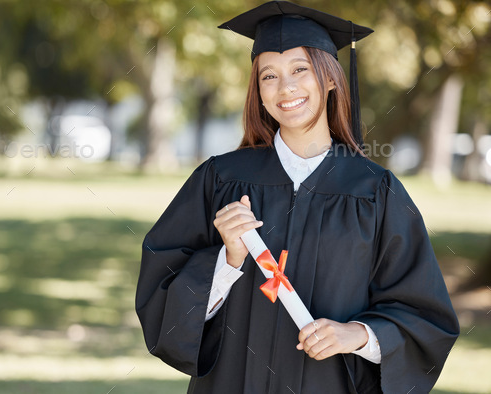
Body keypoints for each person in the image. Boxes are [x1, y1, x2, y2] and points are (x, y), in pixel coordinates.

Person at [135, 1, 459, 393]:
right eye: (268, 75)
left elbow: (425, 316)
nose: (285, 87)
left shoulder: (375, 192)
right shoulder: (221, 180)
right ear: (258, 90)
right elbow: (160, 299)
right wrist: (227, 260)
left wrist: (356, 334)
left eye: (300, 69)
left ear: (331, 79)